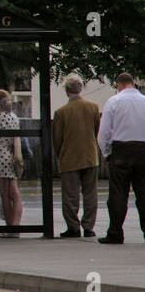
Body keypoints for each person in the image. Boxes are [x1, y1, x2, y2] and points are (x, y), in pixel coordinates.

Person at [96, 72, 145, 244]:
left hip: (121, 150)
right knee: (143, 194)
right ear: (133, 84)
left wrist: (106, 153)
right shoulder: (144, 101)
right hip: (143, 151)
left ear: (118, 85)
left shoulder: (114, 102)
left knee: (117, 195)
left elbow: (103, 133)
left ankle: (115, 232)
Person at [52, 74, 100, 239]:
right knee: (90, 193)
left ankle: (73, 227)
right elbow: (96, 130)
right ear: (81, 89)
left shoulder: (61, 112)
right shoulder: (93, 107)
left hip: (69, 157)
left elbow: (57, 138)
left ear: (67, 91)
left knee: (70, 195)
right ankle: (88, 226)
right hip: (89, 155)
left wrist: (60, 154)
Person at [0, 89, 24, 235]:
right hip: (11, 155)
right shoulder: (14, 117)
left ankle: (10, 227)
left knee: (5, 195)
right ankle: (16, 226)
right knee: (15, 194)